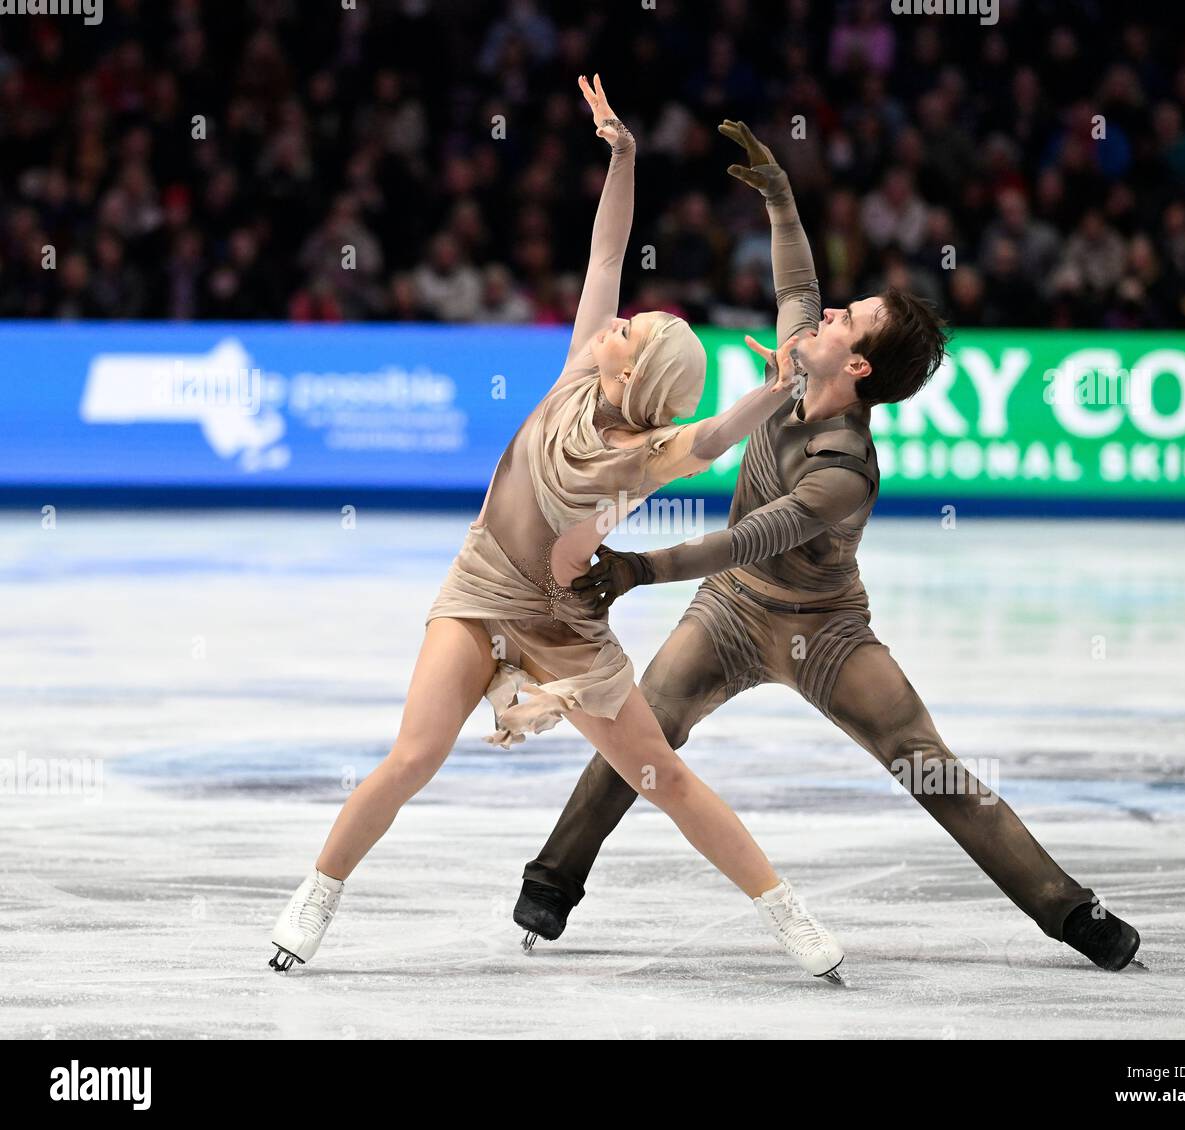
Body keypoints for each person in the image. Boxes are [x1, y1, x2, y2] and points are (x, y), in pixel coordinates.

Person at [513, 120, 1143, 973]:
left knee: (930, 769)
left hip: (828, 629)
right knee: (644, 734)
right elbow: (800, 279)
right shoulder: (802, 366)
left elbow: (750, 538)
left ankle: (1070, 911)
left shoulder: (846, 469)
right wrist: (779, 197)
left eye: (850, 320)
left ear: (859, 372)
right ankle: (552, 881)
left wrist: (638, 569)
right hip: (732, 613)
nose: (827, 312)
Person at [270, 80, 846, 983]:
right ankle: (316, 895)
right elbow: (607, 249)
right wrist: (621, 157)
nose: (622, 319)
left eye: (637, 330)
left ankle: (789, 915)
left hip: (564, 620)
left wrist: (776, 391)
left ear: (639, 372)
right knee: (415, 755)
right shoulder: (583, 364)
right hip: (480, 587)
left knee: (663, 779)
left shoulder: (651, 451)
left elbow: (715, 435)